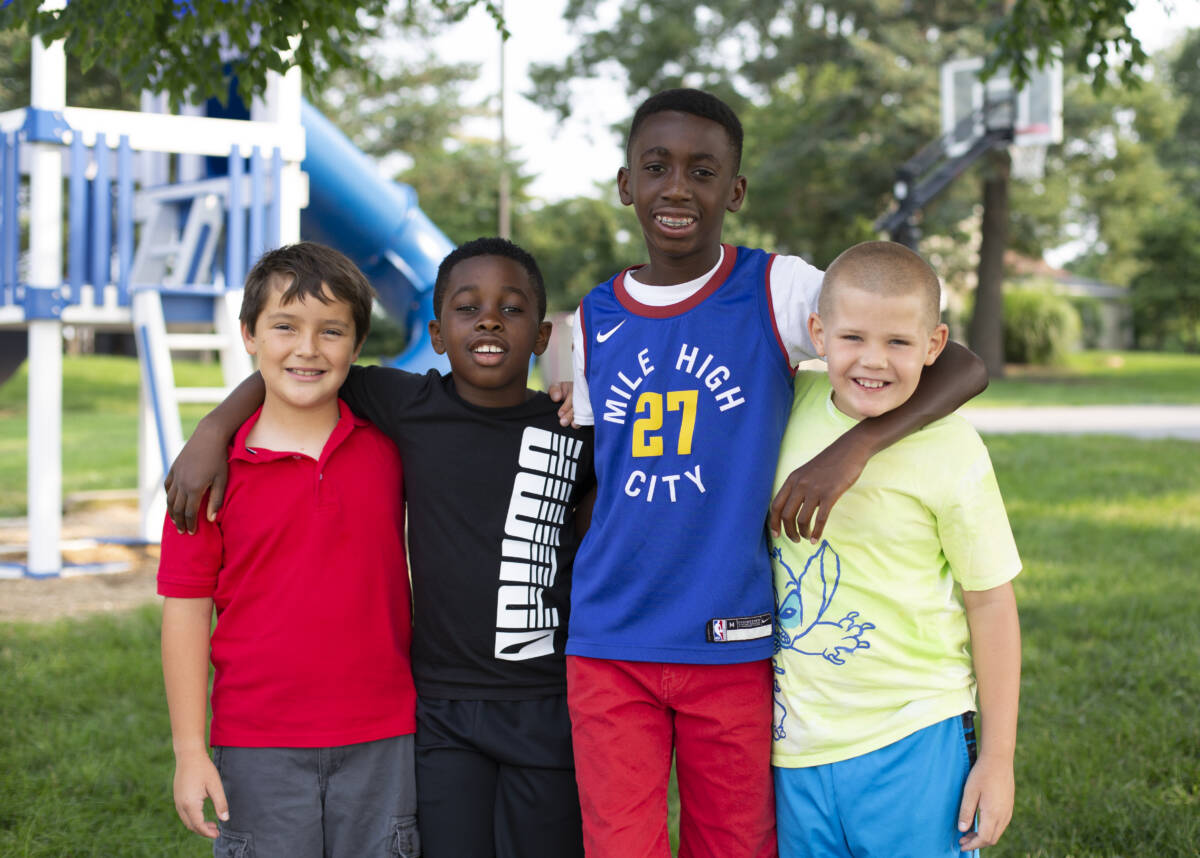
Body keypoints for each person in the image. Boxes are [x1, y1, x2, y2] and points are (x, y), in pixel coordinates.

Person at [565, 88, 989, 857]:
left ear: (735, 190)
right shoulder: (593, 318)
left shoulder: (776, 286)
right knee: (619, 845)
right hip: (611, 640)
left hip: (732, 637)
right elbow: (599, 475)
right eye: (656, 167)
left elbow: (957, 362)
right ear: (626, 183)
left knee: (733, 843)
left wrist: (850, 451)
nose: (677, 188)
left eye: (703, 170)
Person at [165, 237, 595, 858]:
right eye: (467, 308)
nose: (491, 321)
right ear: (437, 333)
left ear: (543, 334)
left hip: (491, 714)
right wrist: (213, 428)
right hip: (401, 719)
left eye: (512, 309)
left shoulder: (567, 432)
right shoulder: (402, 411)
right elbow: (294, 370)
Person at [158, 242, 420, 856]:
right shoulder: (205, 476)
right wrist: (189, 750)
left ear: (356, 349)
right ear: (248, 334)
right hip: (256, 747)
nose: (308, 348)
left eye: (332, 331)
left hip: (385, 739)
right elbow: (186, 610)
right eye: (285, 326)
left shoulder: (391, 448)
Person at [770, 240, 1021, 857]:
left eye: (899, 343)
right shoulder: (784, 406)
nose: (873, 361)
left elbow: (990, 603)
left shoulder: (952, 448)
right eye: (852, 338)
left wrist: (998, 758)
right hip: (793, 745)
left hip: (915, 733)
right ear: (817, 333)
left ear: (934, 346)